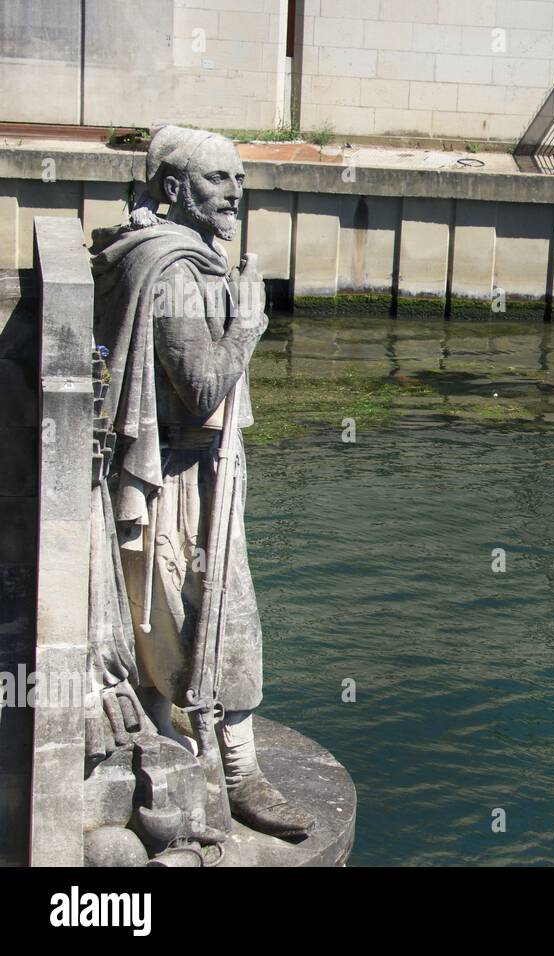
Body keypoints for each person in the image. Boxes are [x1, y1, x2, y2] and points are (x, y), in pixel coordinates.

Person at [90, 125, 315, 839]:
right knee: (217, 617)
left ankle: (182, 748)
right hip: (185, 480)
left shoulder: (152, 253)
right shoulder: (178, 270)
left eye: (240, 179)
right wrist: (250, 320)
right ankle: (235, 771)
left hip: (182, 472)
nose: (235, 192)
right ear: (174, 188)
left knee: (168, 617)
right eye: (218, 178)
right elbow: (199, 387)